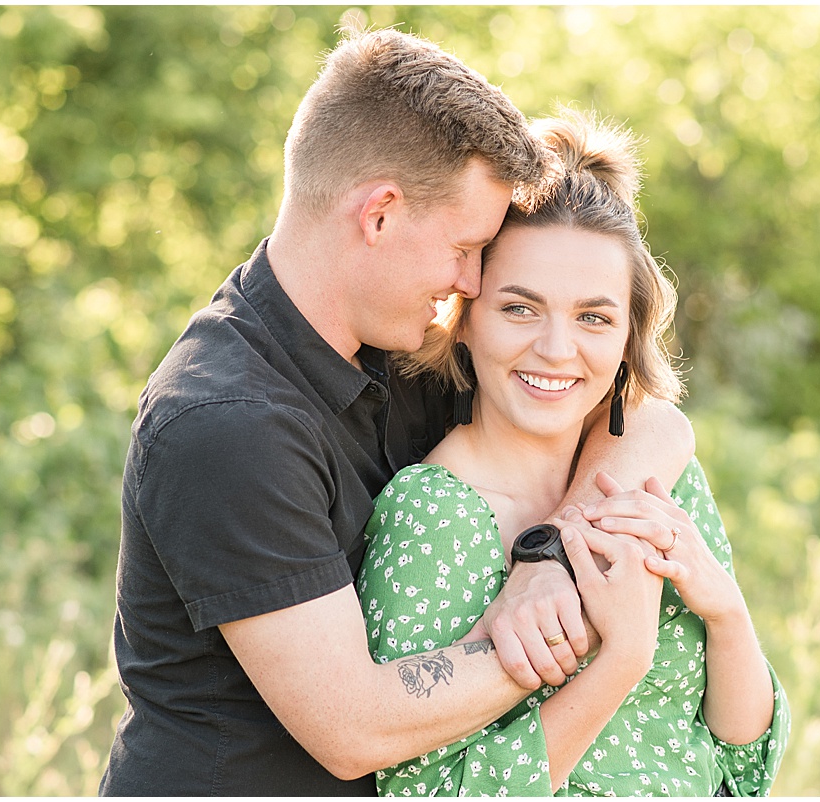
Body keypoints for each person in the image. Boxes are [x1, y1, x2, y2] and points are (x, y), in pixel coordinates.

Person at [100, 28, 694, 795]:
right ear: (379, 214)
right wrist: (586, 626)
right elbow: (357, 728)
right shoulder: (226, 423)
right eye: (465, 246)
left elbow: (644, 417)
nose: (474, 280)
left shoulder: (402, 346)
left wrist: (551, 556)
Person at [356, 111, 790, 796]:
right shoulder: (433, 516)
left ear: (627, 339)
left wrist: (727, 614)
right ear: (465, 318)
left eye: (594, 317)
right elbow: (426, 791)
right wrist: (623, 658)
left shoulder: (655, 482)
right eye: (520, 309)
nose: (558, 350)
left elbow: (740, 763)